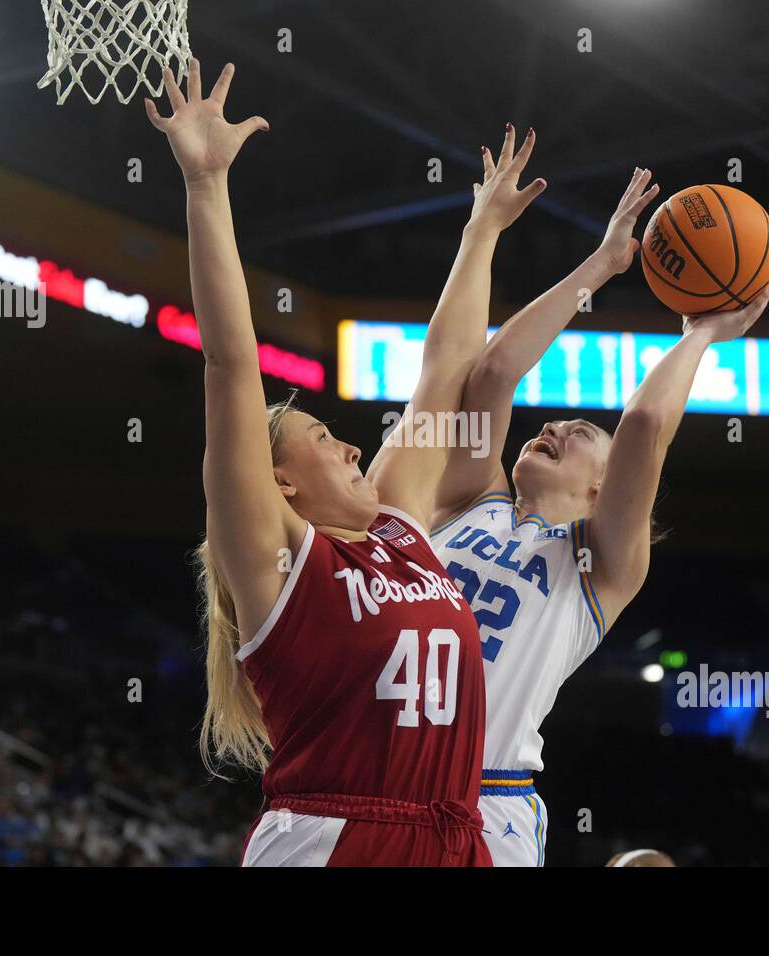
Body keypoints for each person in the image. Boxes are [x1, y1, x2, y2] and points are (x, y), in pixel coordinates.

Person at [146, 59, 544, 865]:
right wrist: (205, 185)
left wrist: (481, 236)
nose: (354, 444)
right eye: (326, 439)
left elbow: (443, 369)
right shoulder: (278, 559)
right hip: (335, 837)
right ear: (279, 481)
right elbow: (230, 364)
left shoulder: (400, 529)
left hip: (451, 835)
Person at [428, 167, 769, 865]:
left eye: (580, 434)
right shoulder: (467, 501)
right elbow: (494, 373)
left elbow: (645, 421)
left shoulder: (599, 564)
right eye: (552, 424)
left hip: (483, 803)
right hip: (379, 781)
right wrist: (605, 263)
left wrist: (703, 333)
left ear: (601, 487)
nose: (554, 427)